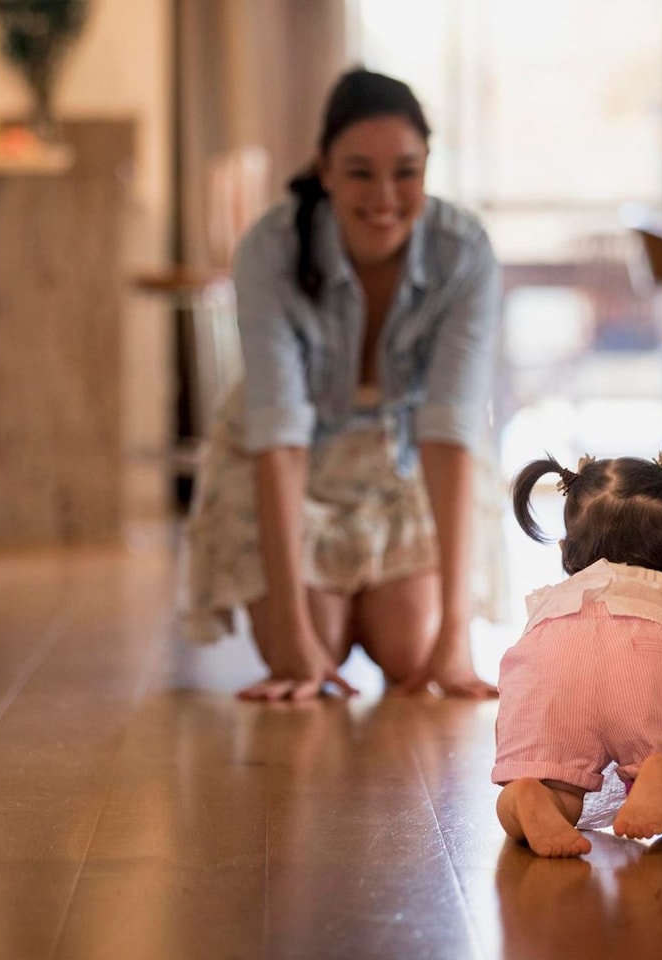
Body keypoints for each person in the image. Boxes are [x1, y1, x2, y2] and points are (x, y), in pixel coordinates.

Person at [181, 67, 504, 703]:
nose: (384, 195)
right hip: (285, 467)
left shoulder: (464, 253)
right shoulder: (269, 250)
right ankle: (323, 616)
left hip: (400, 464)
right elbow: (280, 437)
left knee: (415, 649)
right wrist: (295, 633)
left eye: (405, 171)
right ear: (324, 170)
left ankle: (379, 607)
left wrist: (456, 640)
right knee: (308, 654)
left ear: (427, 167)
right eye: (360, 172)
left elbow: (448, 433)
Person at [492, 450, 662, 857]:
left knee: (549, 787)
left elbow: (520, 690)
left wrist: (524, 764)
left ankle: (527, 797)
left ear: (565, 549)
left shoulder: (552, 602)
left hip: (557, 662)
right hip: (648, 664)